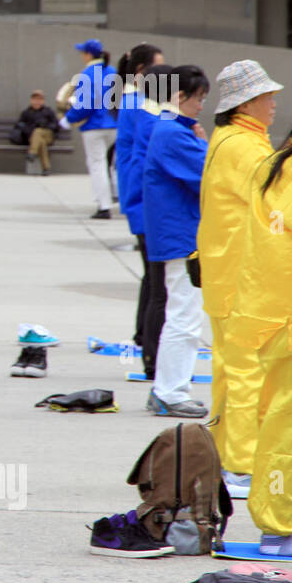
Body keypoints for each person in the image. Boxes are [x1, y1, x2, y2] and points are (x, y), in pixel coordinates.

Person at [224, 85, 292, 557]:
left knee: (286, 423)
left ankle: (277, 526)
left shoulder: (287, 167)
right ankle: (276, 530)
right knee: (291, 428)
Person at [198, 61, 281, 487]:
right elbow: (280, 199)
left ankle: (226, 454)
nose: (273, 103)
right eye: (267, 96)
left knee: (231, 369)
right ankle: (242, 463)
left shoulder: (227, 140)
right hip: (242, 276)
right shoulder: (247, 148)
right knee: (247, 372)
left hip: (223, 274)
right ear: (246, 103)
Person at [141, 64, 210, 418]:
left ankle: (169, 389)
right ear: (180, 96)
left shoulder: (171, 130)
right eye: (199, 98)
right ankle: (170, 391)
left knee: (182, 314)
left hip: (177, 235)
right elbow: (211, 176)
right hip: (181, 237)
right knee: (184, 316)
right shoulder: (173, 134)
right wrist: (204, 143)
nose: (202, 106)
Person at [113, 44, 165, 357]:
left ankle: (143, 336)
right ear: (143, 72)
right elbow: (150, 154)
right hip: (145, 200)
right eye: (160, 68)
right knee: (156, 280)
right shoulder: (141, 105)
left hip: (138, 198)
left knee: (151, 276)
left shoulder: (134, 101)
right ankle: (149, 345)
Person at [133, 62, 174, 379]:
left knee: (153, 286)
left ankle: (150, 352)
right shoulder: (155, 120)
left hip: (149, 211)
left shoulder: (151, 116)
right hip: (154, 213)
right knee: (159, 290)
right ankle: (152, 358)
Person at [59, 39, 118, 218]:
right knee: (114, 165)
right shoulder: (114, 72)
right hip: (115, 125)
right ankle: (117, 194)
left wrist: (67, 119)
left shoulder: (87, 74)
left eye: (82, 53)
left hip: (94, 127)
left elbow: (85, 104)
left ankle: (104, 206)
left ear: (88, 55)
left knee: (97, 164)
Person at [16, 89, 60, 176]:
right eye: (35, 99)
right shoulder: (26, 113)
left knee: (38, 131)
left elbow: (56, 125)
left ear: (43, 101)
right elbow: (20, 125)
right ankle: (46, 168)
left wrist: (45, 126)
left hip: (47, 136)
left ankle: (32, 152)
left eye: (39, 99)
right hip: (33, 138)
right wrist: (30, 130)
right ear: (31, 100)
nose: (37, 102)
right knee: (40, 141)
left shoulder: (48, 111)